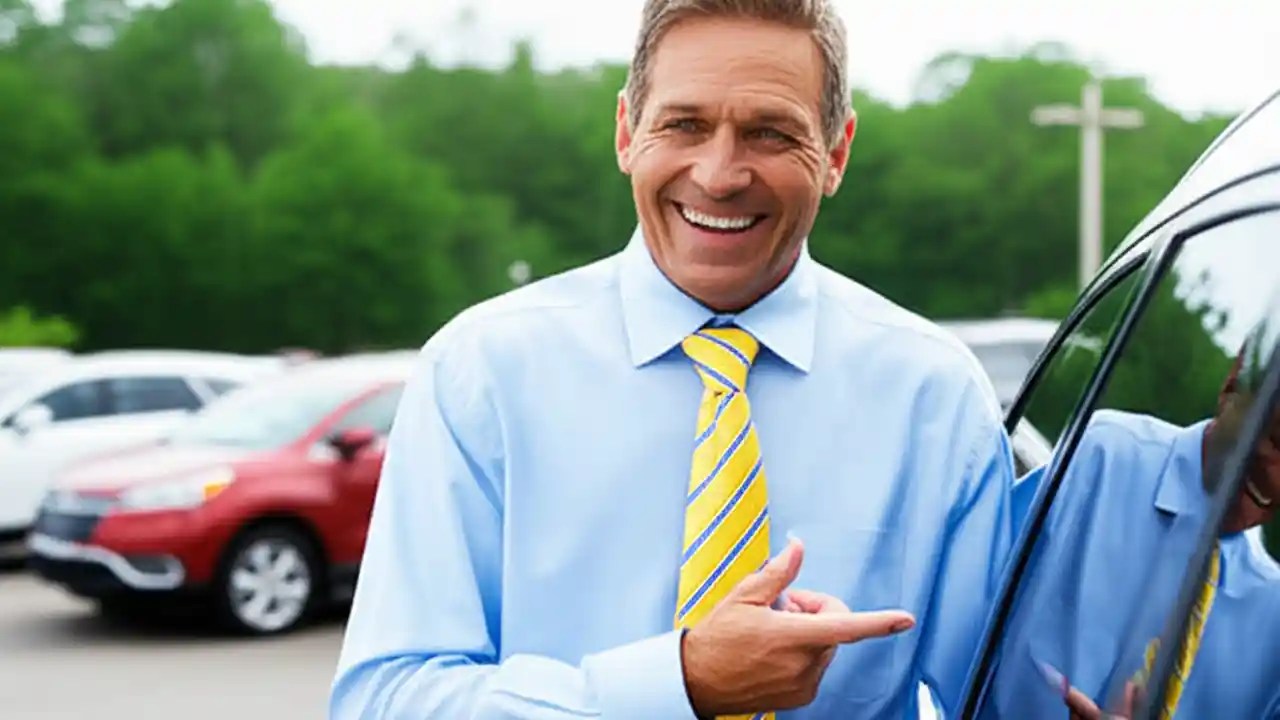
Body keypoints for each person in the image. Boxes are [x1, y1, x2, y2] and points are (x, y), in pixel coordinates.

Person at [329, 1, 1017, 717]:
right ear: (627, 132)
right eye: (684, 124)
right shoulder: (482, 375)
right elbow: (387, 697)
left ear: (836, 153)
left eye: (770, 134)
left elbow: (999, 697)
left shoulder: (934, 396)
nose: (720, 175)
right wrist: (679, 684)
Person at [989, 348, 1280, 719]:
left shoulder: (1271, 617)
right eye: (1276, 441)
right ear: (1232, 386)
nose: (1274, 472)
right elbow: (974, 618)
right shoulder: (1104, 457)